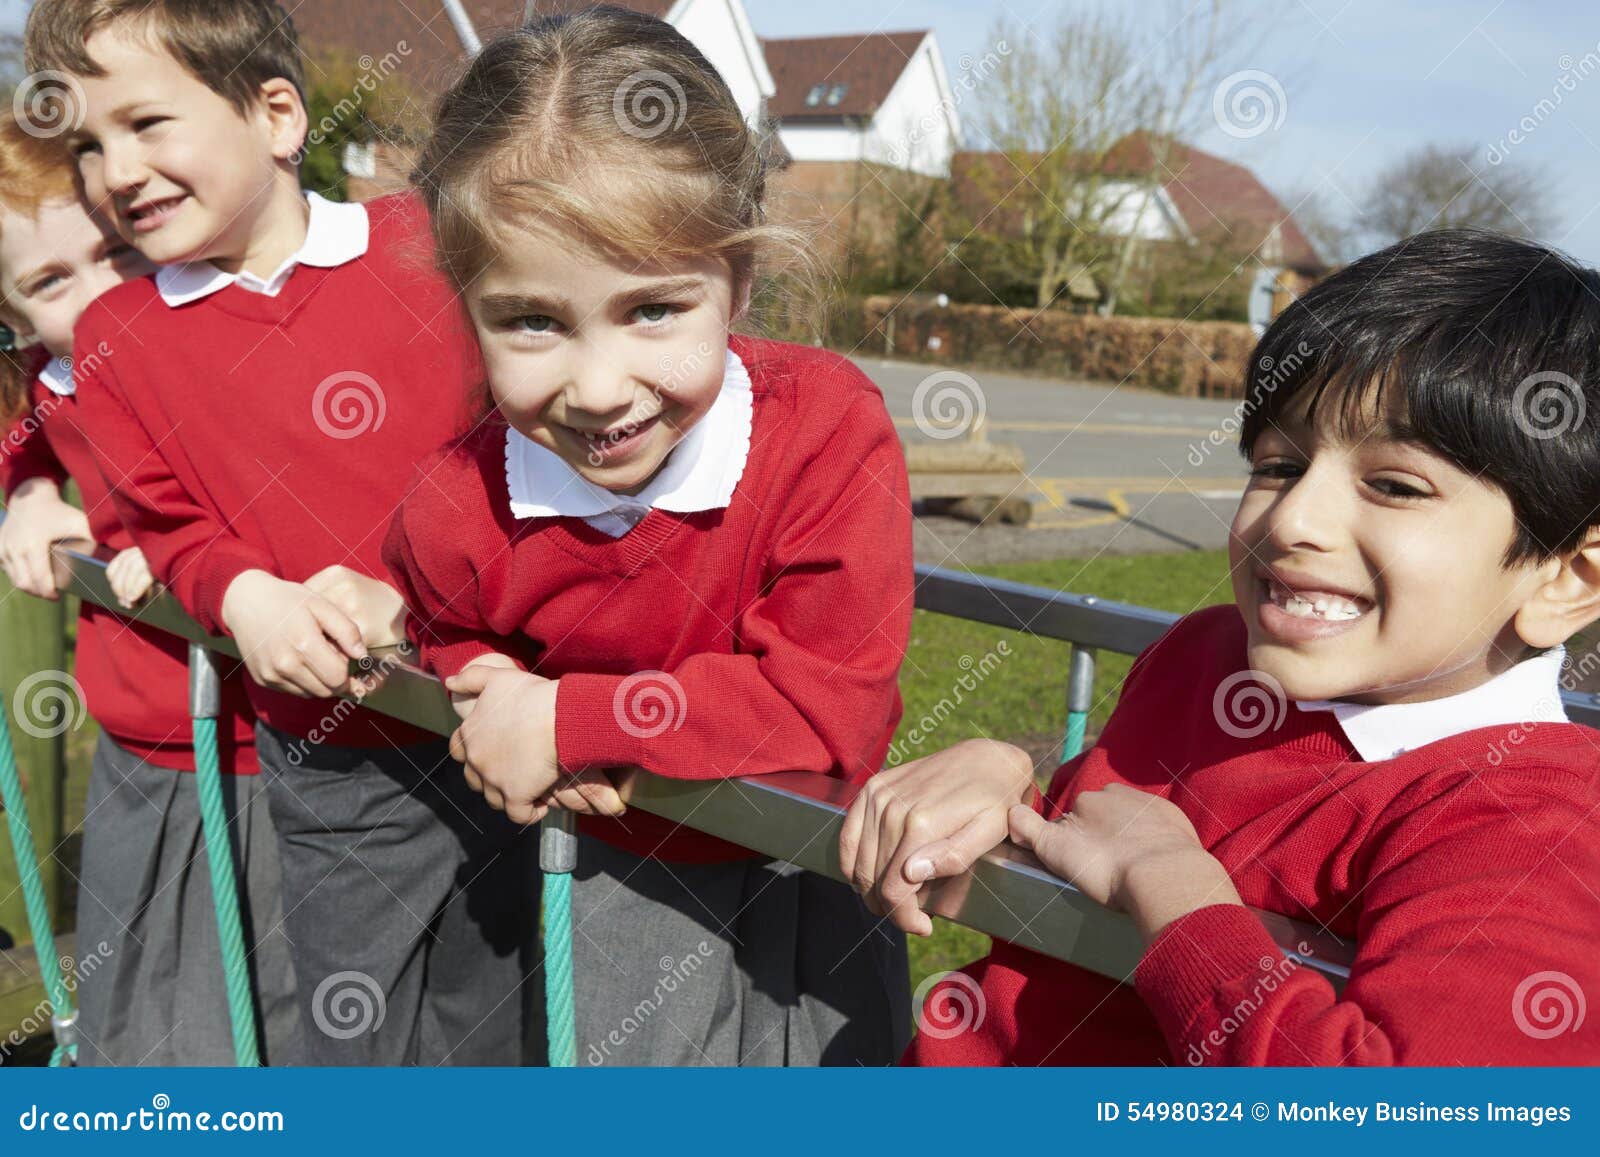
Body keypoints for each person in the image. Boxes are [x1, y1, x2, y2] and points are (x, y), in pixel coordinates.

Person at [846, 229, 1600, 1065]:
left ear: (1566, 579)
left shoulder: (1534, 818)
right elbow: (1100, 831)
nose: (1293, 519)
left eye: (1394, 484)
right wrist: (1007, 790)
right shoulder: (1207, 654)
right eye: (1279, 464)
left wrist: (1174, 889)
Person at [384, 8, 915, 1066]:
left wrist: (571, 717)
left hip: (812, 873)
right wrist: (480, 672)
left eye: (654, 310)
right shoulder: (458, 497)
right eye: (532, 320)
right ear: (467, 309)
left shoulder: (824, 430)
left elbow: (828, 709)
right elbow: (437, 616)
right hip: (609, 888)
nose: (597, 388)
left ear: (740, 282)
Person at [24, 0, 533, 1065]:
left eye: (147, 123)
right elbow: (166, 518)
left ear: (276, 114)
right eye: (86, 144)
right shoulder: (119, 331)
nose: (116, 168)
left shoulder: (428, 244)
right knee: (351, 1036)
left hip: (497, 717)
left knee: (503, 1029)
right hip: (330, 759)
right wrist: (241, 595)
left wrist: (424, 594)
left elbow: (518, 444)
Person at [0, 113, 299, 1064]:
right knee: (136, 1003)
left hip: (267, 745)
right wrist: (32, 491)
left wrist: (153, 540)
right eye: (50, 283)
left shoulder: (221, 348)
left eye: (112, 253)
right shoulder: (56, 381)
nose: (92, 302)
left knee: (259, 1009)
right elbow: (29, 433)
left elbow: (273, 486)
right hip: (141, 741)